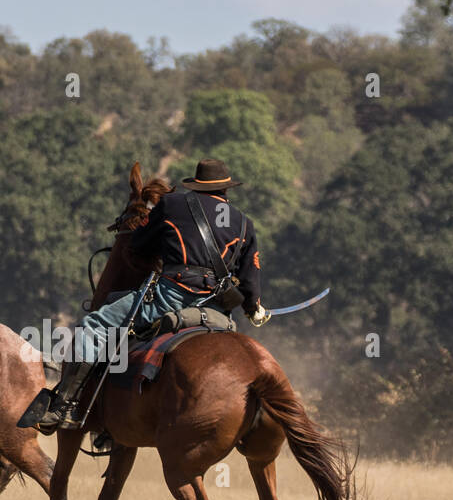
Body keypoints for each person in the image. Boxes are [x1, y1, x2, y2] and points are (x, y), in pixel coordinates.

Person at [19, 157, 269, 434]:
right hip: (217, 310)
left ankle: (63, 406)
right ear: (226, 189)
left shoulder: (172, 205)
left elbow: (137, 246)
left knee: (94, 326)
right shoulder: (245, 223)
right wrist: (254, 309)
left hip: (170, 297)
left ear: (196, 186)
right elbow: (249, 281)